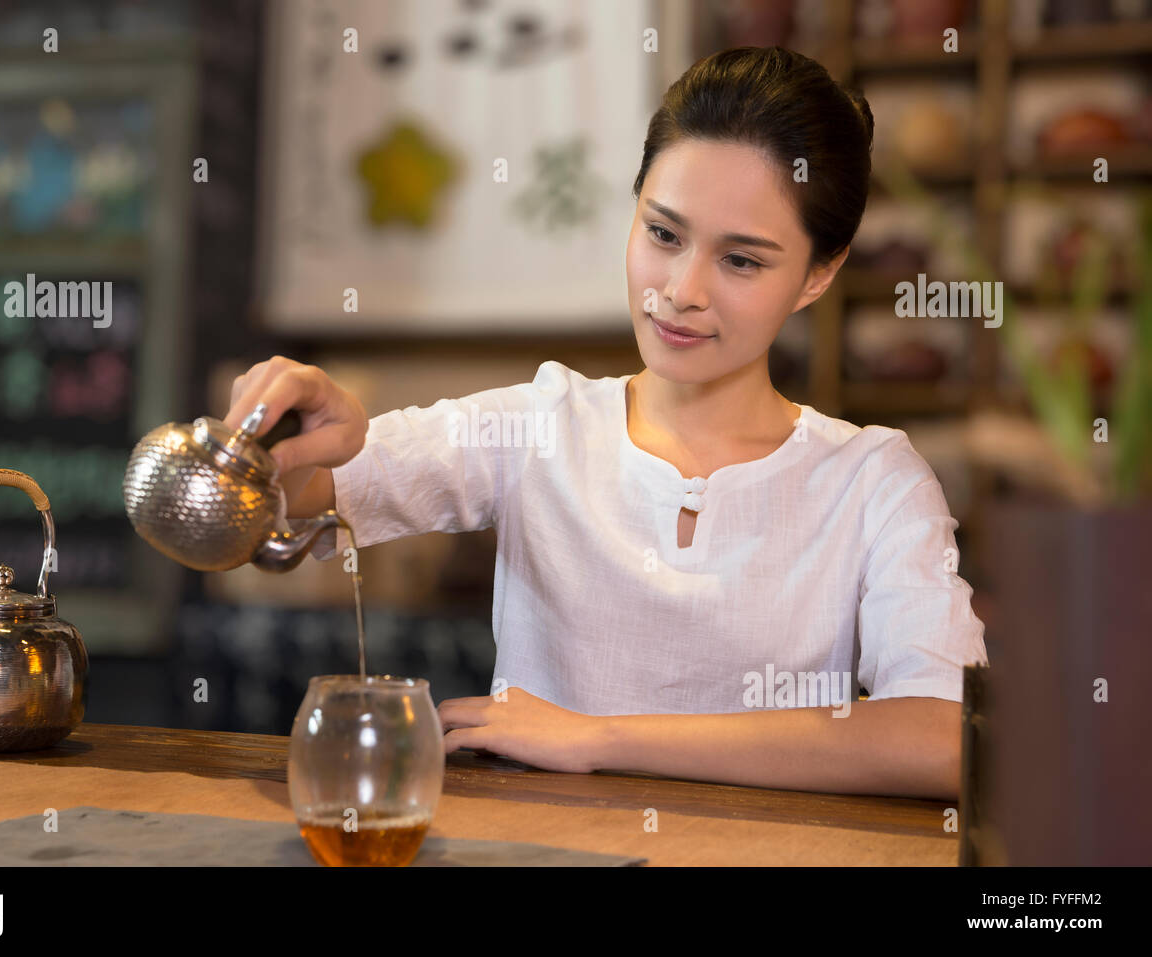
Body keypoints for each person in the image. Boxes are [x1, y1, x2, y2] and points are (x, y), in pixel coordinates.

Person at [225, 47, 987, 801]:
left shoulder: (872, 480)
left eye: (742, 261)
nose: (681, 290)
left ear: (820, 272)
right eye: (663, 234)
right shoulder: (540, 427)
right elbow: (262, 510)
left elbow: (943, 738)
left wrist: (600, 736)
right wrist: (282, 437)